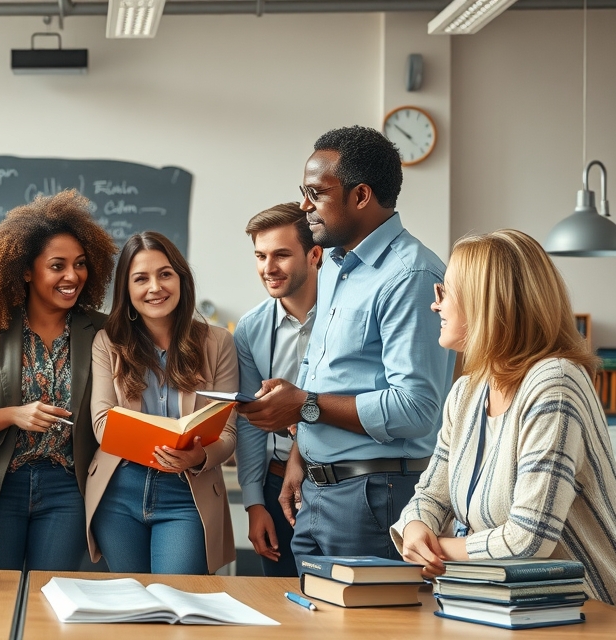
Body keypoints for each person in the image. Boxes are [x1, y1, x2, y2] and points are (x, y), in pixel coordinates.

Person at [238, 126, 455, 561]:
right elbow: (323, 375)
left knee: (365, 630)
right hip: (317, 490)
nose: (304, 206)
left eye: (316, 193)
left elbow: (416, 409)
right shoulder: (335, 264)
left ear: (360, 196)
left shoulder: (410, 276)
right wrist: (301, 455)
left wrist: (304, 405)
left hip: (375, 495)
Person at [392, 229, 616, 604]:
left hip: (588, 610)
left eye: (445, 292)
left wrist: (438, 551)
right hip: (501, 602)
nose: (436, 306)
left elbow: (528, 539)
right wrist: (416, 528)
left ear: (486, 303)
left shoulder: (554, 384)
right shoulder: (467, 391)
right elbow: (432, 493)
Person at [0, 189, 117, 571]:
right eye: (58, 265)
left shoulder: (101, 331)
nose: (73, 276)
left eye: (81, 264)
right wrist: (10, 415)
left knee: (48, 603)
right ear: (25, 269)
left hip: (67, 489)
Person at [86, 231, 237, 575]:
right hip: (119, 492)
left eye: (165, 274)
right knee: (134, 607)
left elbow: (228, 433)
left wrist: (198, 455)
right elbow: (102, 425)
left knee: (178, 603)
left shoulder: (218, 343)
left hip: (186, 493)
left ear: (181, 279)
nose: (155, 287)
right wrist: (170, 440)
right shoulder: (108, 343)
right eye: (141, 278)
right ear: (127, 289)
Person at [233, 202, 321, 577]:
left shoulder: (346, 316)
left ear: (314, 254)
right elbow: (253, 420)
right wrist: (254, 504)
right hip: (275, 483)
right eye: (260, 256)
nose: (268, 268)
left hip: (337, 478)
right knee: (284, 606)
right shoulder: (250, 329)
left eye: (281, 255)